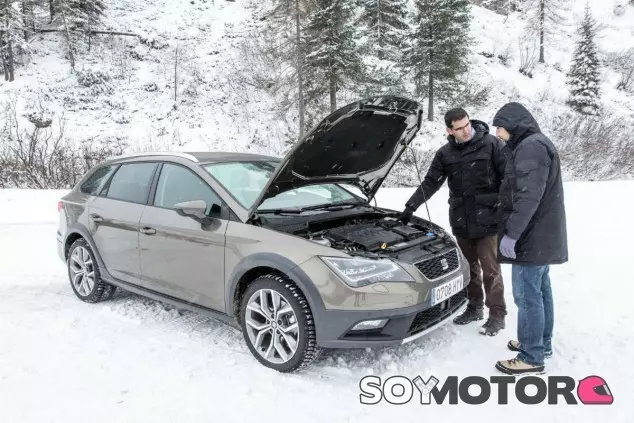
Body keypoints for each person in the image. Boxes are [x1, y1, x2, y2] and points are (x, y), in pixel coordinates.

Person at [399, 107, 508, 335]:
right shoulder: (445, 154)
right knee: (469, 268)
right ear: (449, 130)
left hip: (488, 220)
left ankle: (497, 314)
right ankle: (474, 307)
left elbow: (509, 180)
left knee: (491, 271)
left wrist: (495, 202)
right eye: (459, 128)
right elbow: (431, 182)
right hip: (461, 219)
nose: (466, 131)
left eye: (467, 125)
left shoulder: (492, 145)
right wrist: (410, 207)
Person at [491, 102, 568, 375]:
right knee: (540, 290)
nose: (498, 134)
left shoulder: (530, 147)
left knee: (527, 296)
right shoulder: (534, 143)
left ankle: (531, 356)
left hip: (531, 236)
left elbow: (527, 196)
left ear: (512, 125)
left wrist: (511, 235)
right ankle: (539, 343)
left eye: (499, 128)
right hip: (540, 234)